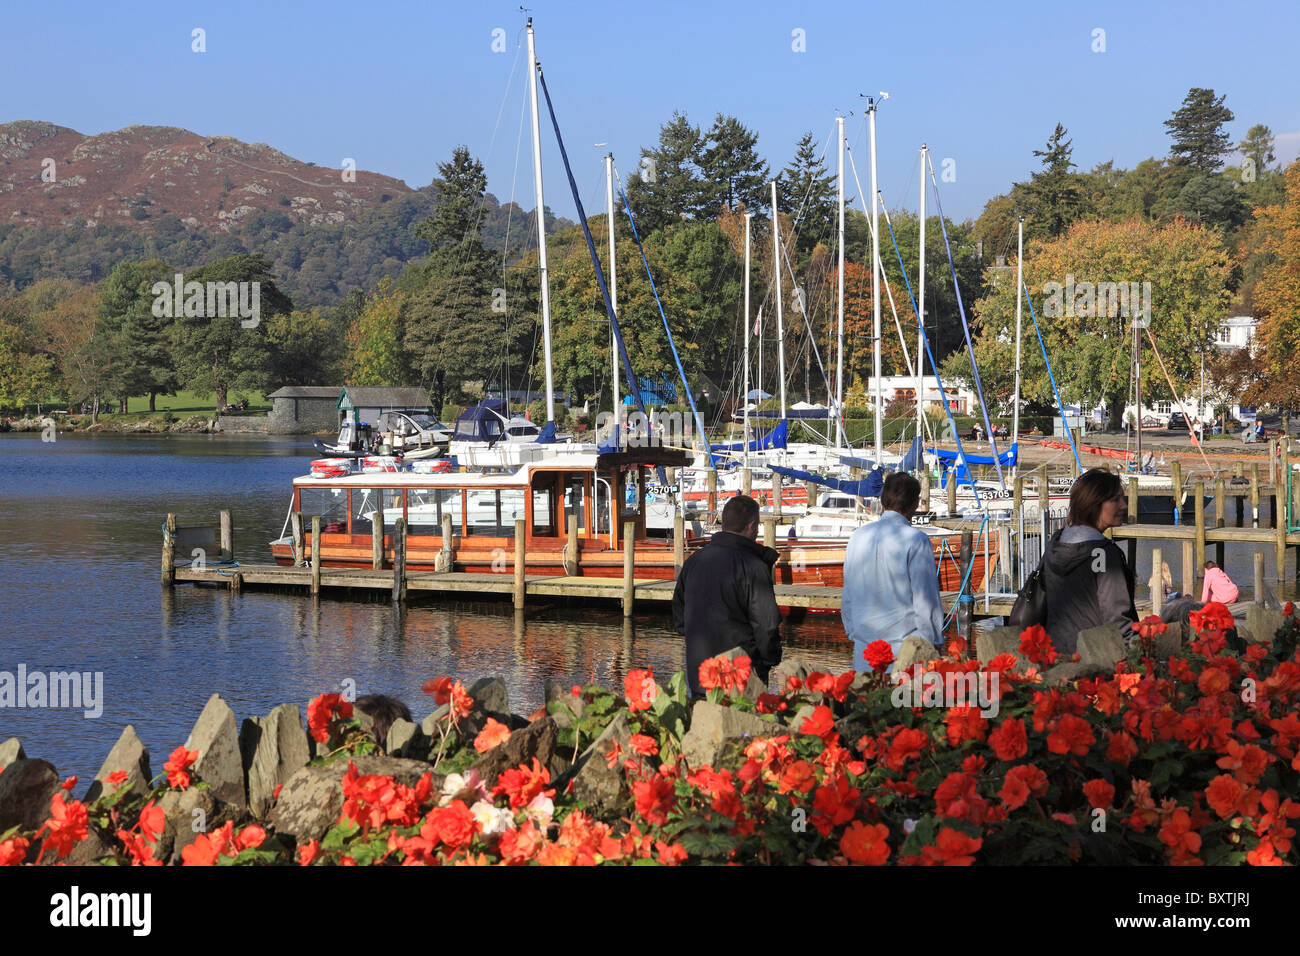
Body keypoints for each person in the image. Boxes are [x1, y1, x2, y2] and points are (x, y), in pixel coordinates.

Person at [673, 494, 781, 697]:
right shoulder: (753, 566)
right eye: (756, 526)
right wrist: (767, 662)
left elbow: (678, 616)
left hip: (700, 673)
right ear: (752, 526)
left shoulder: (694, 561)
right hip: (741, 676)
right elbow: (767, 624)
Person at [841, 472, 944, 670]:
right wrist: (934, 643)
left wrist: (854, 633)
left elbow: (848, 595)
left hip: (865, 649)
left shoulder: (857, 537)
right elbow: (925, 601)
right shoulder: (917, 540)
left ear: (883, 500)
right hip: (905, 650)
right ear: (915, 504)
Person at [1038, 468, 1137, 654]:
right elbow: (1116, 618)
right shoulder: (1104, 554)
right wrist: (1136, 656)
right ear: (1094, 504)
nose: (1124, 506)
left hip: (1056, 656)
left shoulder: (1055, 543)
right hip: (1095, 660)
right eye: (1116, 500)